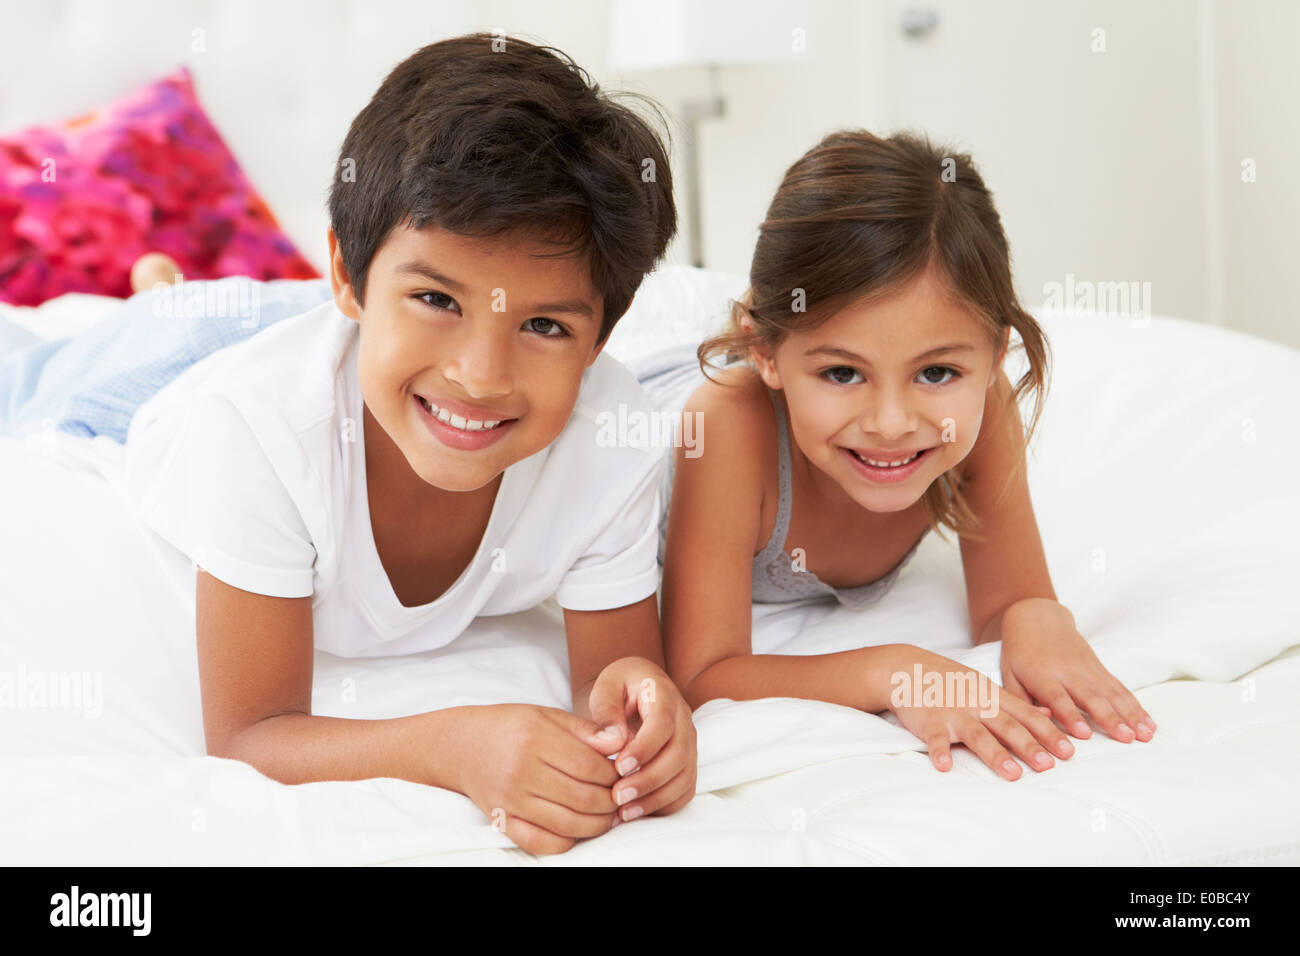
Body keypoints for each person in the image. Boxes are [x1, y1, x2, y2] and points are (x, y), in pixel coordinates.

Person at [6, 33, 698, 855]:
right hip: (173, 369)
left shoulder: (610, 432)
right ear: (348, 273)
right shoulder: (253, 429)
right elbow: (252, 735)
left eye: (544, 324)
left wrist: (645, 709)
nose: (480, 376)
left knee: (251, 316)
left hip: (341, 348)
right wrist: (457, 746)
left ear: (601, 340)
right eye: (437, 297)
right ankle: (156, 291)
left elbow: (611, 675)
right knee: (79, 355)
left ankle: (181, 285)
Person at [655, 129, 1156, 782]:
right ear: (768, 355)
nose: (891, 424)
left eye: (937, 373)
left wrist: (1040, 617)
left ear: (995, 352)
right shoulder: (726, 426)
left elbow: (1012, 597)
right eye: (841, 374)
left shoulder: (987, 399)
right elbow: (703, 676)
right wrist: (897, 671)